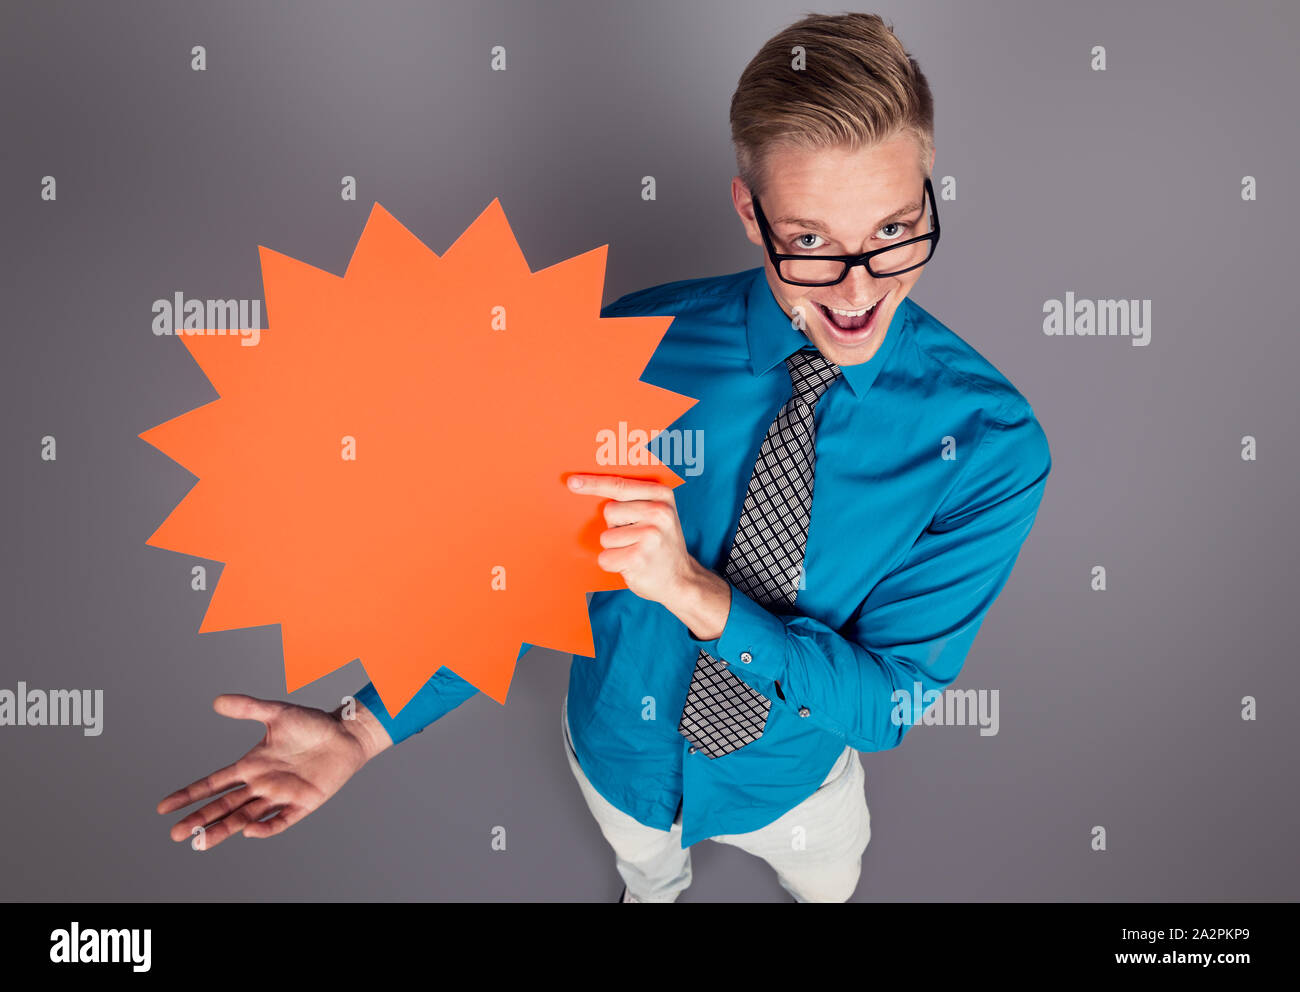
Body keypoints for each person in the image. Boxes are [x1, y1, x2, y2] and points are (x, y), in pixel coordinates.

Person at [157, 12, 1051, 903]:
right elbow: (512, 570)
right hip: (618, 758)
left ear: (930, 191)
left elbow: (885, 704)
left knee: (827, 883)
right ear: (750, 211)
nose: (858, 292)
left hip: (797, 788)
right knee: (646, 872)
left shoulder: (990, 447)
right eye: (810, 241)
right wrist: (364, 729)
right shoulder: (631, 342)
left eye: (895, 230)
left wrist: (697, 595)